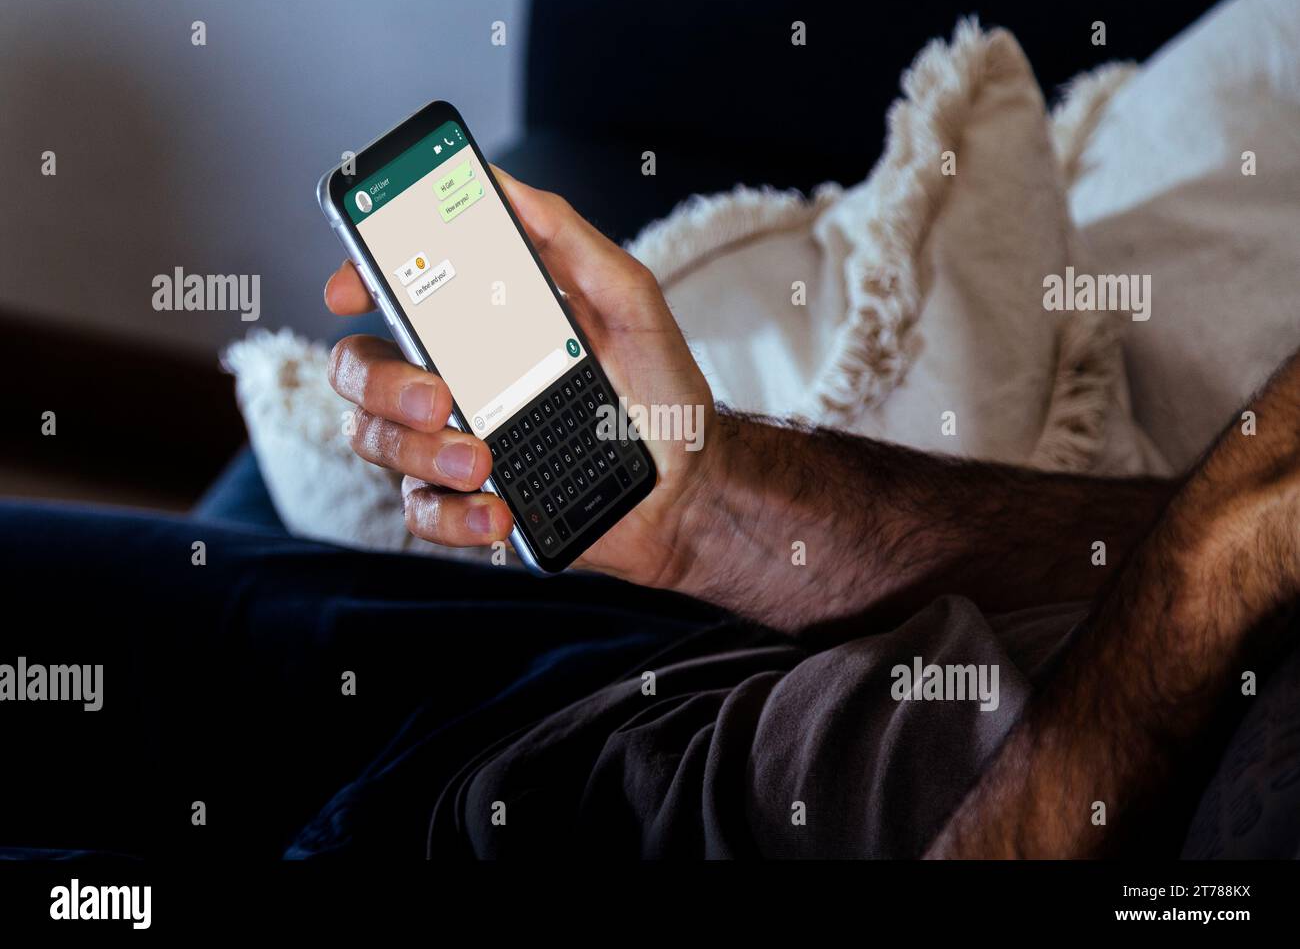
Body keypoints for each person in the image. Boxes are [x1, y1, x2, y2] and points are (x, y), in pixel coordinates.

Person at [2, 171, 1295, 859]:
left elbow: (1197, 575)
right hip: (620, 690)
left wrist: (1212, 579)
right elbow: (1120, 562)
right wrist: (708, 497)